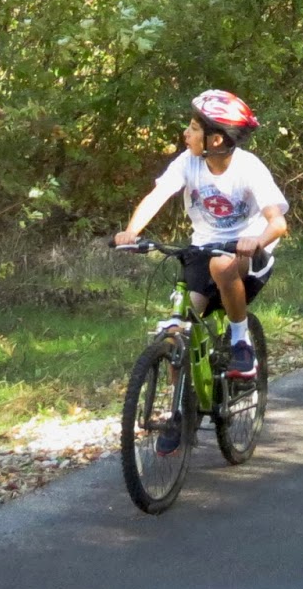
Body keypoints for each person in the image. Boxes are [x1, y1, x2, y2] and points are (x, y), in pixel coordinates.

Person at [114, 90, 288, 392]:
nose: (186, 133)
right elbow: (157, 196)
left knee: (223, 265)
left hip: (246, 253)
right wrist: (131, 232)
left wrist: (256, 241)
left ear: (216, 139)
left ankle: (239, 342)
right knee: (176, 332)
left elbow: (278, 223)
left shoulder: (249, 168)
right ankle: (179, 413)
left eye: (194, 128)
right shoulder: (188, 162)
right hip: (202, 250)